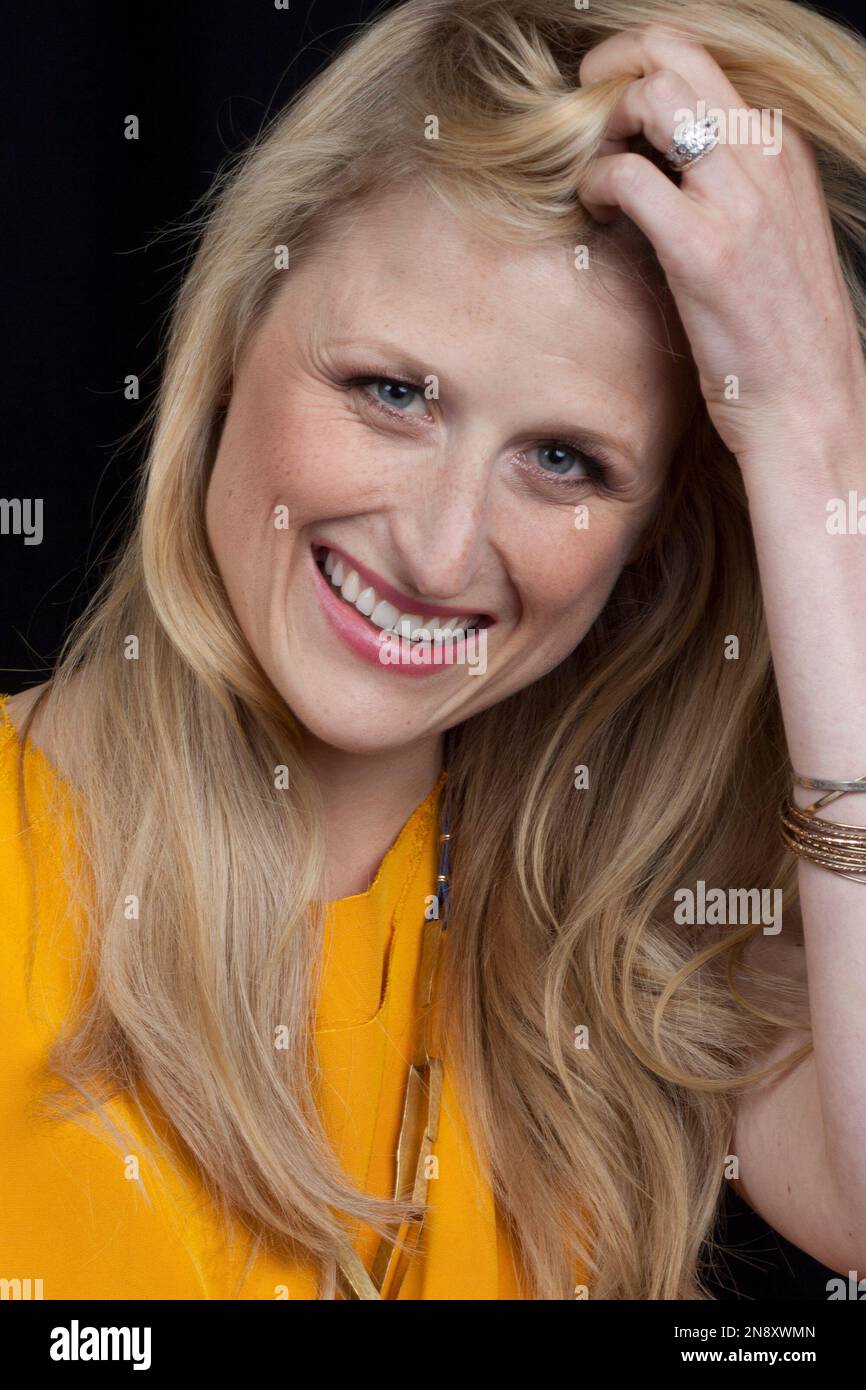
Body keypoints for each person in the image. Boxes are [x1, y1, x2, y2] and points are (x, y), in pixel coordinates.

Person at [3, 0, 866, 1300]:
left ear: (648, 541)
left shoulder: (616, 953)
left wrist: (810, 436)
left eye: (563, 459)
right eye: (391, 392)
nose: (441, 547)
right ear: (235, 330)